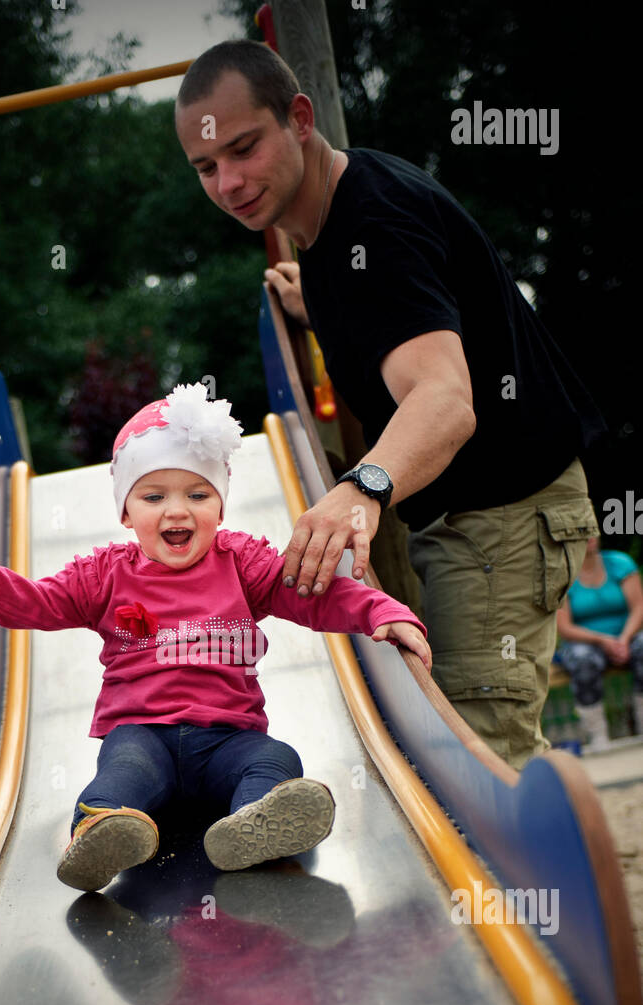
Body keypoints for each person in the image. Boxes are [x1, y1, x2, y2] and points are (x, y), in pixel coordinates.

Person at [174, 40, 604, 770]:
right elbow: (396, 314)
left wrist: (363, 488)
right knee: (460, 749)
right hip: (477, 512)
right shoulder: (334, 227)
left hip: (505, 512)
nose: (230, 183)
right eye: (207, 168)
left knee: (482, 759)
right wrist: (318, 304)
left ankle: (548, 882)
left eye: (244, 148)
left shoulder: (375, 222)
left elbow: (445, 400)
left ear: (300, 118)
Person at [0, 382, 431, 893]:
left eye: (198, 494)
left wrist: (381, 611)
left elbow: (313, 592)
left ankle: (253, 824)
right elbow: (35, 601)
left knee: (276, 759)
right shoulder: (105, 575)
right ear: (126, 511)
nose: (177, 510)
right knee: (125, 773)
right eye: (154, 496)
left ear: (220, 508)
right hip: (142, 734)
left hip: (229, 738)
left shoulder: (242, 563)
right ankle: (101, 830)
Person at [555, 538, 643, 750]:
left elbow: (639, 608)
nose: (589, 538)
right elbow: (564, 627)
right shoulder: (562, 573)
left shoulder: (620, 563)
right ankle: (598, 737)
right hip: (583, 641)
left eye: (592, 531)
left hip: (625, 636)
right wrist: (605, 640)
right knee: (583, 660)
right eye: (581, 533)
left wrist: (622, 639)